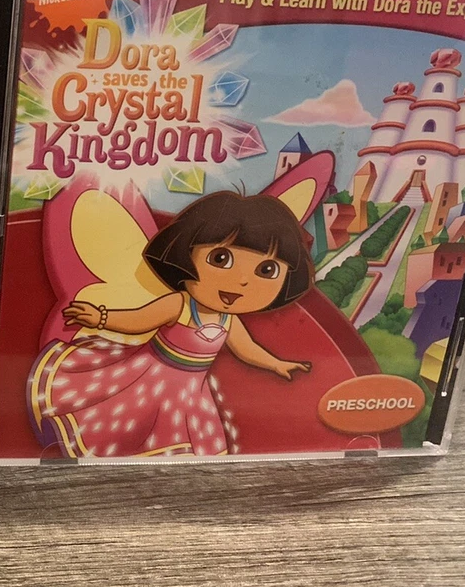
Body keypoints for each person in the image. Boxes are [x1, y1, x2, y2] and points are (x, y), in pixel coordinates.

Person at [28, 190, 313, 458]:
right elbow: (138, 320)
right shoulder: (180, 304)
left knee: (184, 435)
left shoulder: (229, 319)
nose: (242, 281)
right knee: (126, 420)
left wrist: (276, 364)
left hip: (191, 393)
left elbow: (246, 348)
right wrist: (101, 317)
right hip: (148, 377)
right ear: (185, 253)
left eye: (266, 270)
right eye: (221, 258)